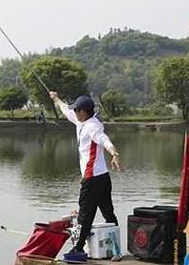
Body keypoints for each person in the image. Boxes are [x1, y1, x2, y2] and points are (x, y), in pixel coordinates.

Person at [50, 92, 124, 261]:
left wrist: (114, 153)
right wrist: (56, 98)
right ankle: (116, 250)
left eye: (77, 109)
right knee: (108, 213)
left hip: (92, 180)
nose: (74, 111)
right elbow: (65, 109)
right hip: (103, 177)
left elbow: (104, 140)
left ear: (83, 112)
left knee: (84, 215)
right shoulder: (80, 120)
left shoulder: (93, 126)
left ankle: (77, 250)